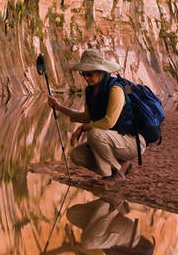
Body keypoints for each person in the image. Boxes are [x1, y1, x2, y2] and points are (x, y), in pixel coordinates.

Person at [47, 48, 143, 182]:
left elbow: (108, 122)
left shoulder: (115, 89)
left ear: (102, 71)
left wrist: (82, 128)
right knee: (77, 155)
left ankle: (117, 174)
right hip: (111, 139)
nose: (86, 77)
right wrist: (58, 107)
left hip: (131, 141)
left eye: (90, 74)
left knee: (94, 133)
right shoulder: (90, 91)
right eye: (83, 73)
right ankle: (116, 170)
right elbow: (86, 117)